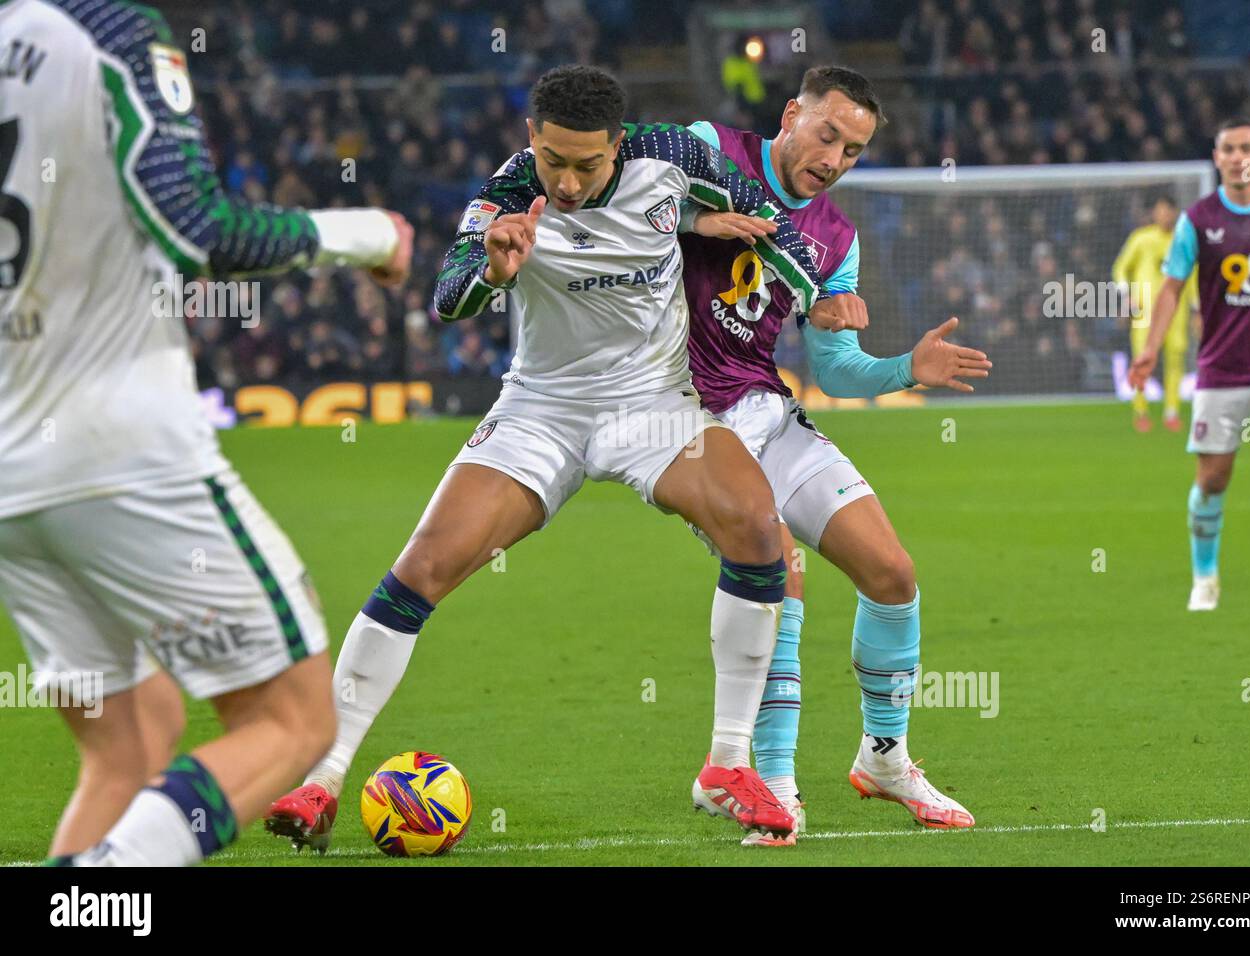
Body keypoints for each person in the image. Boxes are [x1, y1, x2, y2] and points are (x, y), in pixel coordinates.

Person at [265, 64, 854, 851]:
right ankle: (322, 778)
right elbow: (447, 297)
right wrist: (492, 272)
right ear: (532, 142)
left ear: (619, 144)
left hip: (653, 404)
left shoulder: (675, 156)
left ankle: (725, 764)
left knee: (757, 530)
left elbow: (770, 224)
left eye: (587, 163)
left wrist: (816, 295)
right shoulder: (509, 192)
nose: (568, 181)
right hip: (543, 412)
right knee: (424, 566)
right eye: (553, 160)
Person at [0, 0, 411, 866]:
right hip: (120, 454)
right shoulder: (112, 31)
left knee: (130, 745)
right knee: (294, 720)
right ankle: (104, 886)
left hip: (12, 472)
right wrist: (365, 232)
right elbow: (196, 228)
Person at [676, 66, 990, 843]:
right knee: (778, 568)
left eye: (853, 150)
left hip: (766, 409)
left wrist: (900, 370)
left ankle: (884, 758)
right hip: (679, 419)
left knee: (893, 573)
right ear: (791, 115)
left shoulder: (834, 239)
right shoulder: (711, 150)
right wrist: (693, 221)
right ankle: (775, 780)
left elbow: (839, 367)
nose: (834, 158)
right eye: (827, 135)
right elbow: (617, 205)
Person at [1129, 118, 1250, 612]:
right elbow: (1171, 288)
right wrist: (1150, 349)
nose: (1237, 155)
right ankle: (1205, 578)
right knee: (1213, 479)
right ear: (1217, 157)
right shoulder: (1198, 220)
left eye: (1247, 146)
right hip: (1222, 369)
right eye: (1227, 148)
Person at [1113, 194, 1197, 431]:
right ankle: (1140, 411)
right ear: (1154, 213)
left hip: (1175, 310)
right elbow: (1121, 268)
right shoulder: (1141, 239)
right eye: (1159, 210)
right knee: (1141, 360)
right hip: (1145, 310)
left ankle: (1172, 412)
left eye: (1166, 210)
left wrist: (1197, 307)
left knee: (1174, 359)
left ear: (1174, 212)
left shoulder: (1183, 241)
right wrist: (1126, 294)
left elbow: (1192, 276)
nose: (1163, 215)